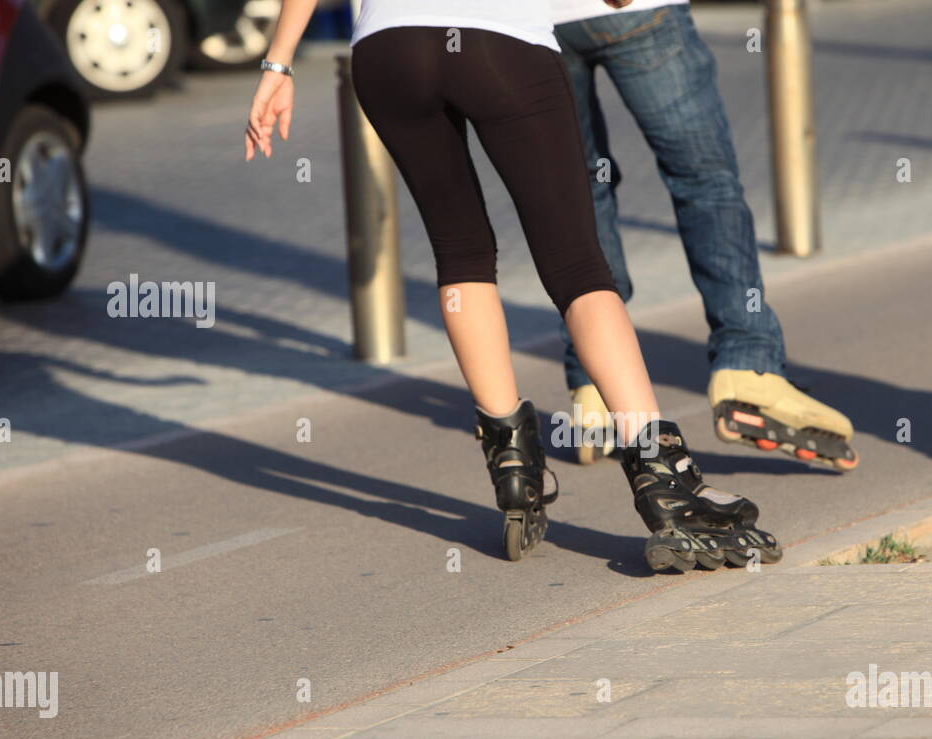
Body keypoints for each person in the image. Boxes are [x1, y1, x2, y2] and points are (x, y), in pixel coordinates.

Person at [243, 0, 781, 572]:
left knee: (460, 254)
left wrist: (278, 65)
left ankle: (514, 470)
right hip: (497, 40)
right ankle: (663, 478)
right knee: (577, 268)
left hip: (388, 47)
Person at [550, 0, 859, 470]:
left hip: (535, 23)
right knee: (704, 180)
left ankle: (595, 391)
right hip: (636, 12)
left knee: (580, 193)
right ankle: (746, 364)